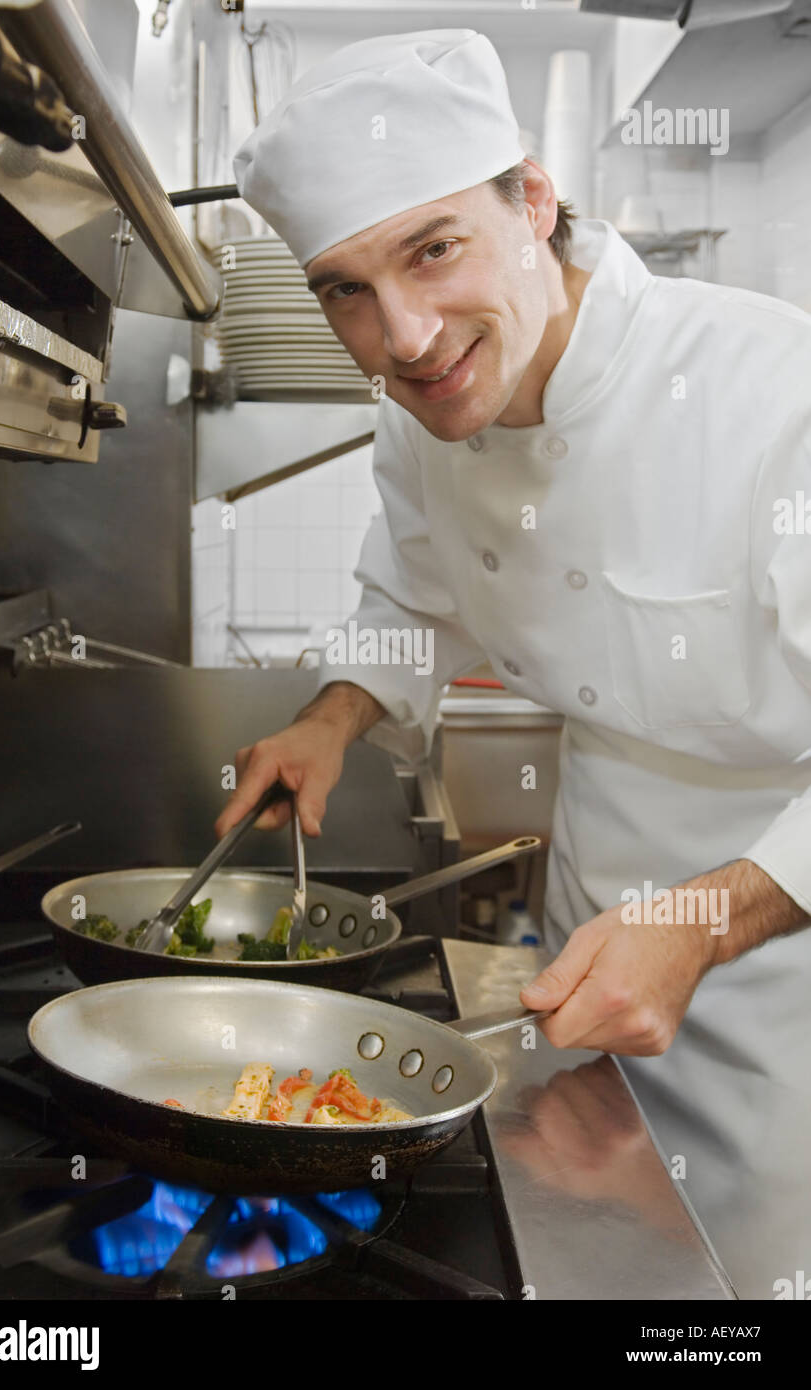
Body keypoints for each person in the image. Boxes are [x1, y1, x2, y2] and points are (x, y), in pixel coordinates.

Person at [217, 29, 811, 1271]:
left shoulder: (773, 395)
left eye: (433, 250)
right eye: (345, 290)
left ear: (533, 202)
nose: (408, 337)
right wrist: (330, 718)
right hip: (593, 952)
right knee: (612, 1278)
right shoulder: (420, 417)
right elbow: (416, 600)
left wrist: (701, 925)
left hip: (784, 973)